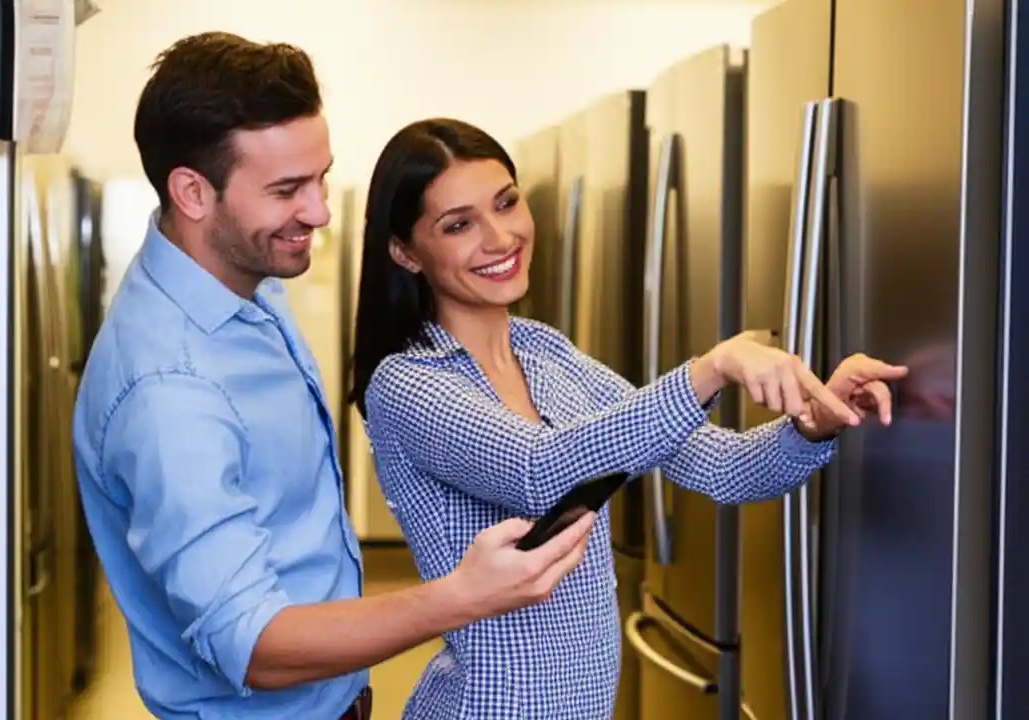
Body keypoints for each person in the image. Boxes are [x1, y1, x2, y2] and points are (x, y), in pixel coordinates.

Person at [71, 34, 598, 720]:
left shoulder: (245, 284)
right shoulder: (168, 392)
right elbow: (253, 646)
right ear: (193, 193)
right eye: (288, 190)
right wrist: (461, 597)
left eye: (320, 177)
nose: (320, 212)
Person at [348, 117, 909, 719]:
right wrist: (711, 369)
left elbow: (724, 468)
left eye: (506, 203)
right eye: (459, 224)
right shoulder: (409, 383)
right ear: (405, 252)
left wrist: (816, 418)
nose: (500, 237)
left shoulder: (546, 353)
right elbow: (539, 471)